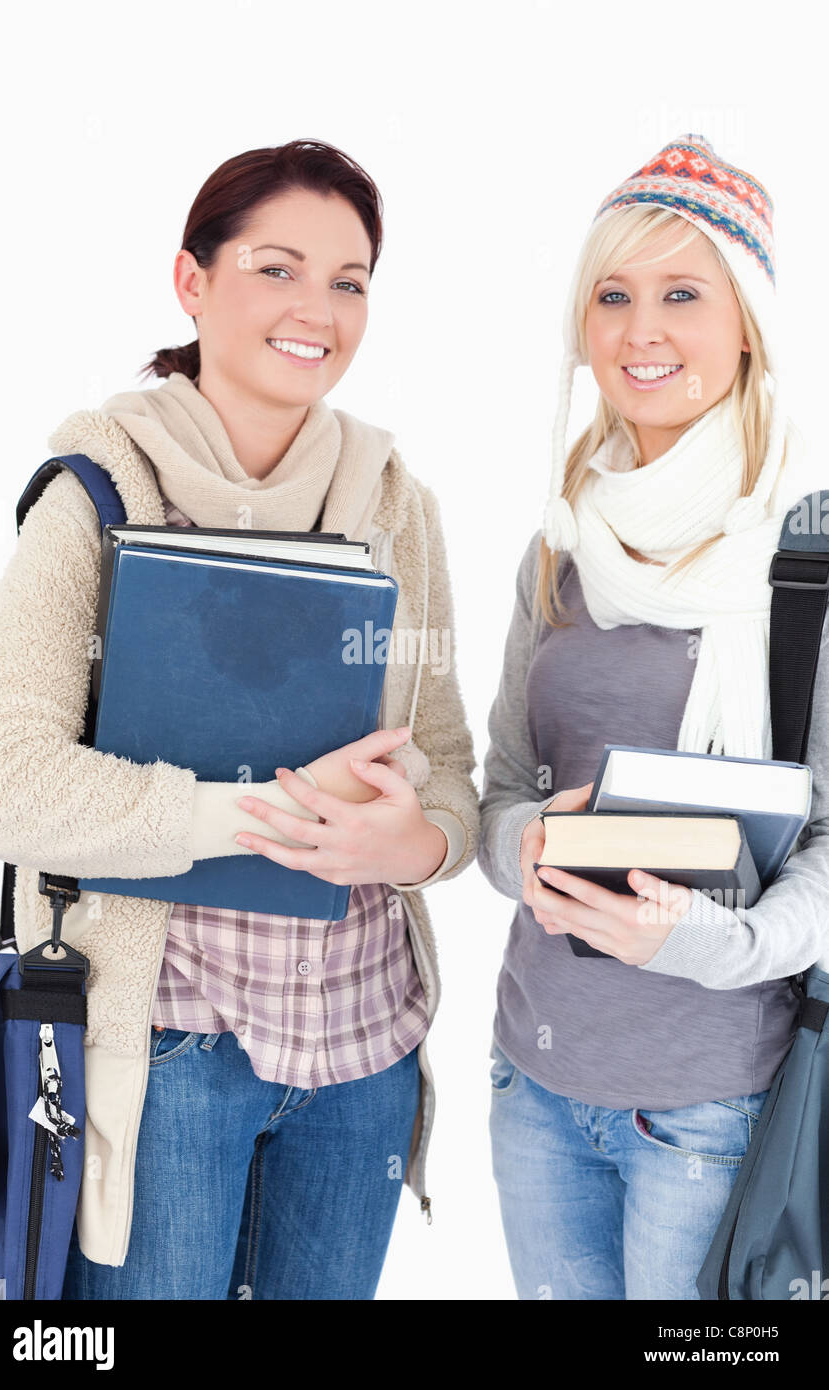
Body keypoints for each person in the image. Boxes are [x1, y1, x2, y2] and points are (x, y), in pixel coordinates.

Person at [0, 138, 478, 1299]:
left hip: (362, 1058)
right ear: (192, 283)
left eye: (349, 281)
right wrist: (255, 817)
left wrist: (422, 840)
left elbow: (443, 760)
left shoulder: (399, 505)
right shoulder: (99, 492)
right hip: (168, 1052)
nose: (319, 310)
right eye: (278, 268)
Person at [477, 133, 829, 1300]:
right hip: (532, 1077)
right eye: (611, 295)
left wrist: (699, 943)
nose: (640, 331)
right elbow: (503, 784)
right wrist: (517, 844)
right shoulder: (560, 539)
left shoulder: (805, 559)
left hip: (709, 1105)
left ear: (746, 328)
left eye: (681, 293)